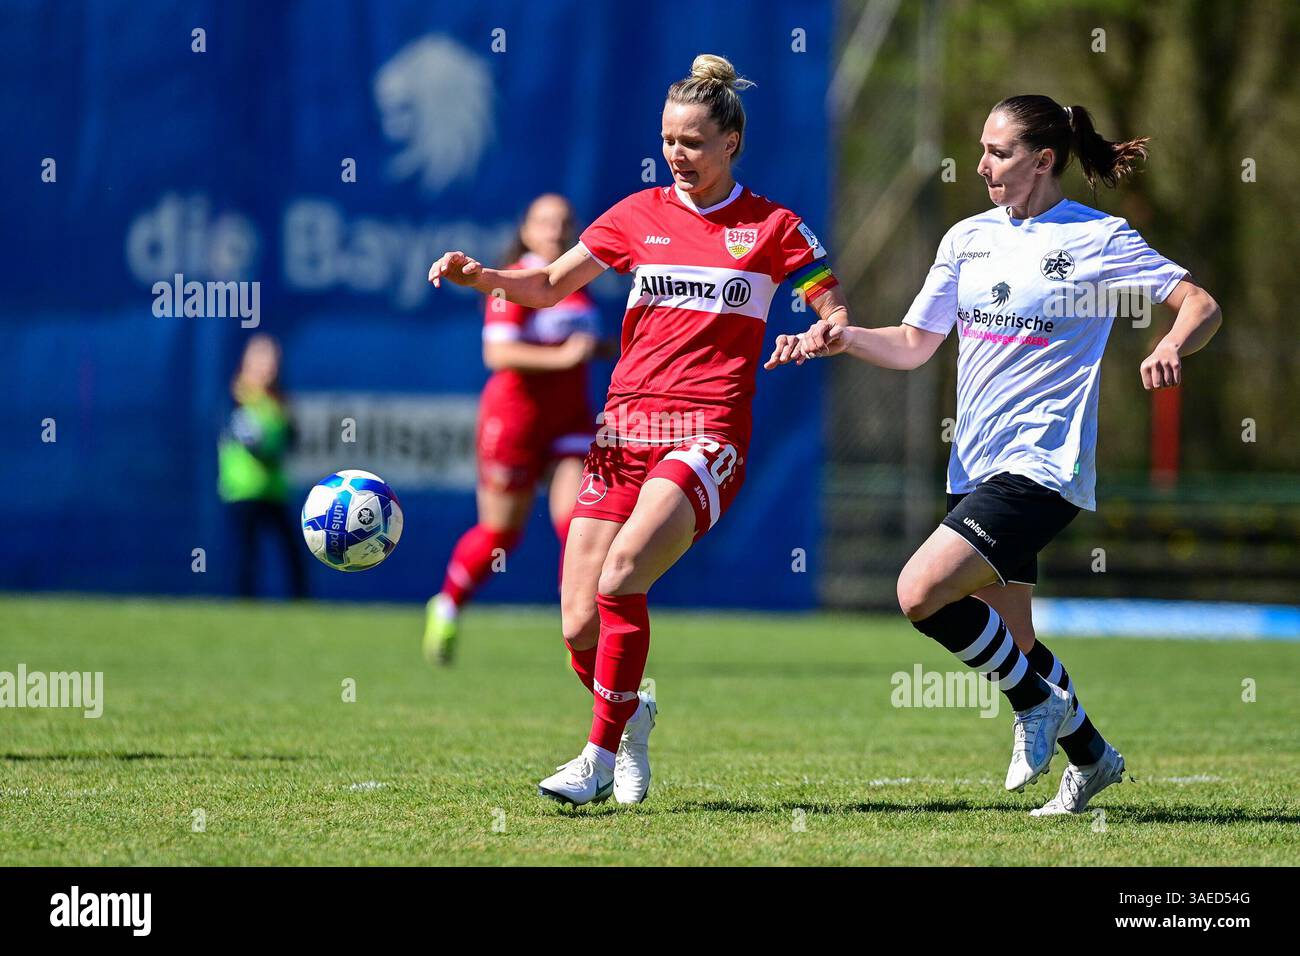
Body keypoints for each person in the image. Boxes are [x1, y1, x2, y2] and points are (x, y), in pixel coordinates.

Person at [768, 94, 1222, 815]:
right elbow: (917, 345)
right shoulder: (966, 239)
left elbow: (1199, 304)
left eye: (999, 152)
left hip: (1044, 465)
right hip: (973, 467)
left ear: (1043, 160)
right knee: (1016, 642)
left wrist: (1169, 344)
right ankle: (1093, 756)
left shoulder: (1098, 237)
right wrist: (843, 336)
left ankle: (1037, 707)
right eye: (981, 149)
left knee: (918, 592)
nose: (981, 165)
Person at [429, 54, 847, 805]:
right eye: (667, 139)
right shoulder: (636, 216)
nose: (676, 155)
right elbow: (551, 282)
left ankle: (594, 759)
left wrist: (825, 330)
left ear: (732, 144)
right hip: (623, 432)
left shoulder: (772, 226)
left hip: (707, 431)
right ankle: (630, 719)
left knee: (624, 577)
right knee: (578, 618)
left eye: (692, 141)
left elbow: (828, 301)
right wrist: (484, 279)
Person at [423, 194, 603, 666]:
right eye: (545, 222)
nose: (556, 230)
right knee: (501, 534)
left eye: (565, 222)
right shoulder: (517, 282)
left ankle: (578, 626)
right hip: (515, 422)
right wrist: (564, 355)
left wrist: (601, 348)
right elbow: (498, 355)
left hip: (571, 423)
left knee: (578, 522)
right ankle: (446, 605)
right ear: (525, 230)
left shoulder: (578, 282)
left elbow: (581, 344)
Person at [219, 334, 308, 599]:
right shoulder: (239, 396)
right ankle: (244, 606)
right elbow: (253, 444)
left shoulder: (278, 401)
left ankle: (303, 604)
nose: (267, 365)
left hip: (274, 490)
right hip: (244, 489)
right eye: (261, 358)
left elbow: (292, 438)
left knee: (293, 551)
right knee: (247, 554)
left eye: (271, 359)